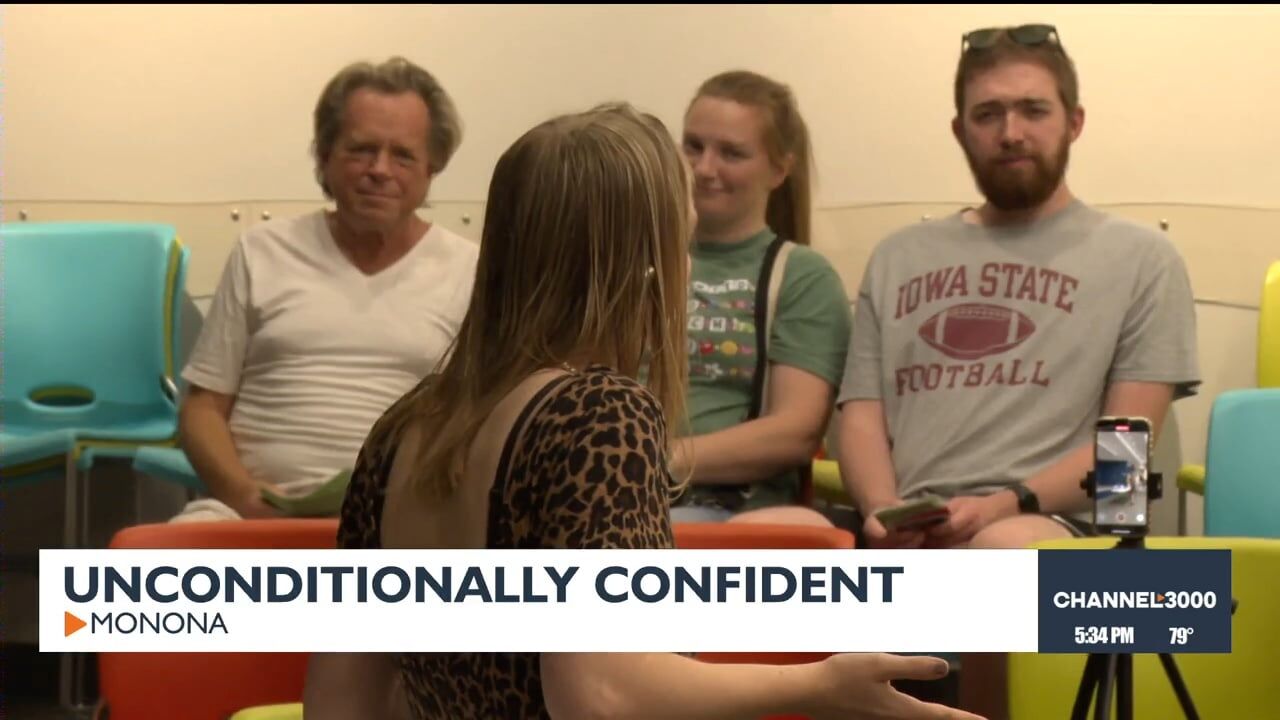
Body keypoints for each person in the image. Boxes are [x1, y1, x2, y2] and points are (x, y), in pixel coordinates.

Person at [303, 103, 979, 720]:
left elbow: (338, 702)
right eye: (680, 243)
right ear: (645, 262)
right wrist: (818, 685)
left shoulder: (405, 427)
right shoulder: (596, 414)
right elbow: (601, 693)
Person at [835, 24, 1199, 716]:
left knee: (997, 557)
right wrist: (882, 514)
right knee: (775, 569)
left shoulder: (1141, 259)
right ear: (959, 130)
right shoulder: (897, 257)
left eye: (1033, 110)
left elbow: (1127, 449)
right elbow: (861, 416)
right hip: (914, 528)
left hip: (1057, 528)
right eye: (988, 113)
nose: (1011, 132)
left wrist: (1001, 505)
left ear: (1074, 121)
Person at [175, 57, 477, 521]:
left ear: (431, 170)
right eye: (361, 150)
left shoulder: (470, 269)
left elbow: (480, 423)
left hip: (398, 524)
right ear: (324, 157)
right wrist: (245, 496)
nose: (380, 169)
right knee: (152, 555)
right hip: (249, 514)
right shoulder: (261, 251)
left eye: (402, 155)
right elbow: (203, 410)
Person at [671, 70, 852, 525]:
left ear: (779, 170)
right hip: (608, 498)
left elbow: (794, 433)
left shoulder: (801, 277)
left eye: (731, 153)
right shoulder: (630, 258)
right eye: (693, 145)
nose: (704, 168)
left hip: (728, 508)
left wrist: (652, 462)